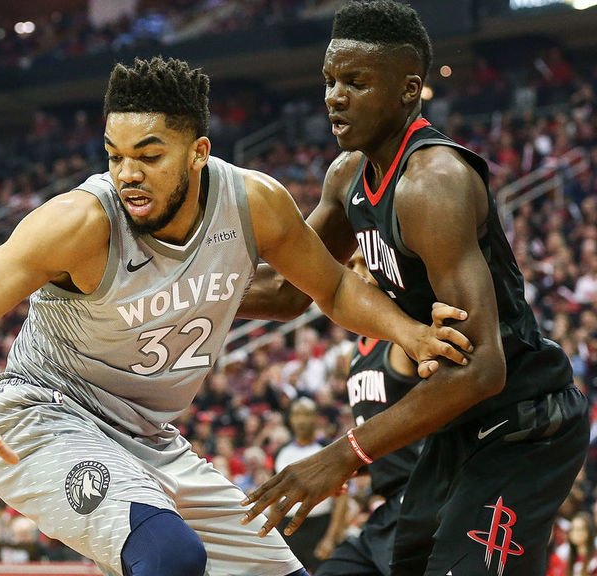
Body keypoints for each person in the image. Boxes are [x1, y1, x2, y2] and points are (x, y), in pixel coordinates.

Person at [0, 56, 470, 576]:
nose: (128, 174)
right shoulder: (79, 222)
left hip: (151, 437)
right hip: (46, 419)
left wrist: (411, 334)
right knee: (171, 556)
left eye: (149, 156)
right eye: (115, 156)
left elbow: (334, 288)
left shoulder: (252, 203)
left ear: (199, 152)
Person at [238, 2, 589, 575]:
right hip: (457, 428)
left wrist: (342, 455)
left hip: (525, 422)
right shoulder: (346, 175)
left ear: (408, 90)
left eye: (355, 82)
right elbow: (287, 289)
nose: (334, 97)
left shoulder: (434, 184)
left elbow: (481, 369)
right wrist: (168, 288)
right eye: (329, 81)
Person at [314, 249, 423, 576]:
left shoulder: (407, 336)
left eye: (366, 262)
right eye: (351, 265)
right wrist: (350, 467)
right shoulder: (354, 355)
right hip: (389, 506)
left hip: (424, 498)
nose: (357, 272)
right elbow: (383, 428)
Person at [273, 397, 337, 573]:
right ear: (291, 419)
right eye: (297, 415)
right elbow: (274, 497)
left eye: (307, 415)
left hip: (320, 526)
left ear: (317, 418)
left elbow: (342, 498)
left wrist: (331, 537)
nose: (302, 420)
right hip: (287, 525)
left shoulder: (329, 449)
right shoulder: (281, 452)